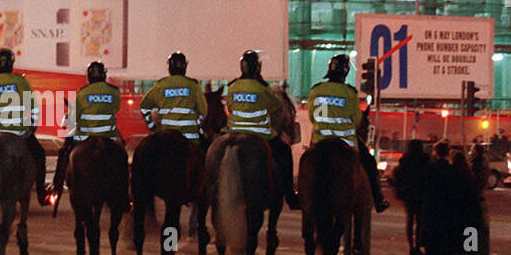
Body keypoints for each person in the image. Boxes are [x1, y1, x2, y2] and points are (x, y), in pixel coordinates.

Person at [305, 54, 388, 212]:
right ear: (346, 72)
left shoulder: (317, 90)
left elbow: (311, 116)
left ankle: (298, 193)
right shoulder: (349, 93)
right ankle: (378, 199)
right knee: (369, 163)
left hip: (320, 141)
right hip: (346, 143)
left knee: (307, 164)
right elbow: (356, 119)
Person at [222, 49, 298, 208]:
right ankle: (290, 195)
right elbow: (275, 106)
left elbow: (229, 105)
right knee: (284, 153)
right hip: (260, 135)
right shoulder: (262, 88)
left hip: (233, 133)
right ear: (258, 67)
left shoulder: (233, 86)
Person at [50, 60, 128, 205]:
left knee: (64, 154)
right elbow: (115, 109)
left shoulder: (83, 92)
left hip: (84, 138)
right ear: (104, 75)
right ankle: (125, 195)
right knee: (122, 157)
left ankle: (56, 187)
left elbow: (74, 118)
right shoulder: (114, 91)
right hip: (109, 136)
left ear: (89, 76)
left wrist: (69, 119)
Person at [0, 47, 47, 207]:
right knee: (39, 155)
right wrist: (32, 127)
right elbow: (33, 106)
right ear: (11, 63)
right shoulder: (20, 81)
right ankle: (41, 191)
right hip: (20, 133)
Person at [420, 141, 469, 255]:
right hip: (448, 210)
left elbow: (422, 188)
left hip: (432, 208)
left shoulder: (430, 169)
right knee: (446, 241)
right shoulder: (453, 171)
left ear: (435, 153)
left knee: (430, 241)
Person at [140, 51, 208, 149]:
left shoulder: (160, 85)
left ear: (169, 68)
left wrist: (152, 126)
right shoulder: (193, 86)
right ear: (185, 67)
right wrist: (196, 125)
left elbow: (144, 107)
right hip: (189, 137)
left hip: (165, 137)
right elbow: (203, 111)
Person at [393, 139, 428, 255]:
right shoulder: (424, 159)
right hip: (421, 193)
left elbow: (398, 174)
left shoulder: (405, 160)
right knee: (420, 222)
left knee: (410, 220)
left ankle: (411, 246)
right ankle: (418, 246)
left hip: (408, 193)